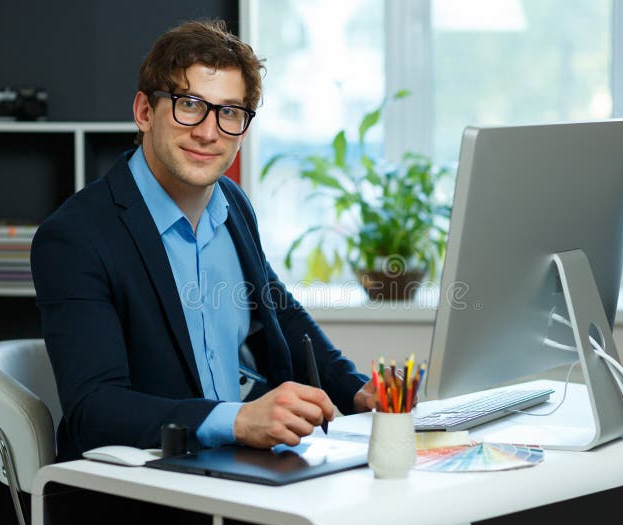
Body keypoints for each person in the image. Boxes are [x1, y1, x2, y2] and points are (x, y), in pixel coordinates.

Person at [31, 19, 376, 461]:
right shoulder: (75, 237)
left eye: (229, 112)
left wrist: (358, 390)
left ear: (243, 129)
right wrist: (237, 420)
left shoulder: (232, 204)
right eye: (189, 104)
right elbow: (94, 410)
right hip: (146, 484)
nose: (208, 132)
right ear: (144, 112)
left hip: (239, 465)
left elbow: (280, 313)